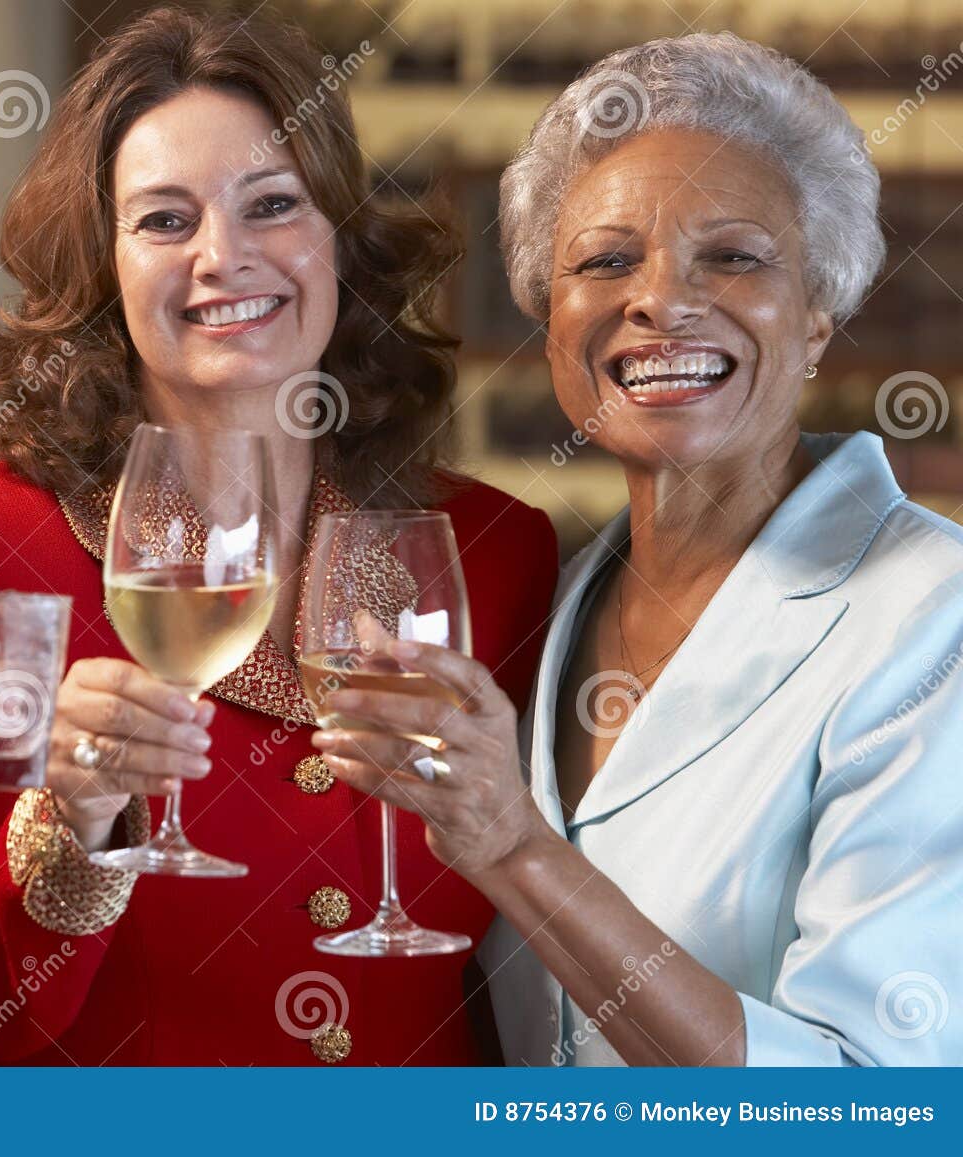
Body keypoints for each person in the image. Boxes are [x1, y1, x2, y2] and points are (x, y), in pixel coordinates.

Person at [0, 7, 557, 1065]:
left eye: (272, 204)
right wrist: (71, 817)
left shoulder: (495, 551)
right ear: (102, 264)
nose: (223, 257)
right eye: (163, 220)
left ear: (340, 237)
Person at [309, 33, 963, 1065]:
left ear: (817, 317)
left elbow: (867, 1107)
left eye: (733, 256)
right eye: (606, 261)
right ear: (550, 320)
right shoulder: (542, 603)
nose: (660, 299)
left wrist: (515, 847)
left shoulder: (933, 618)